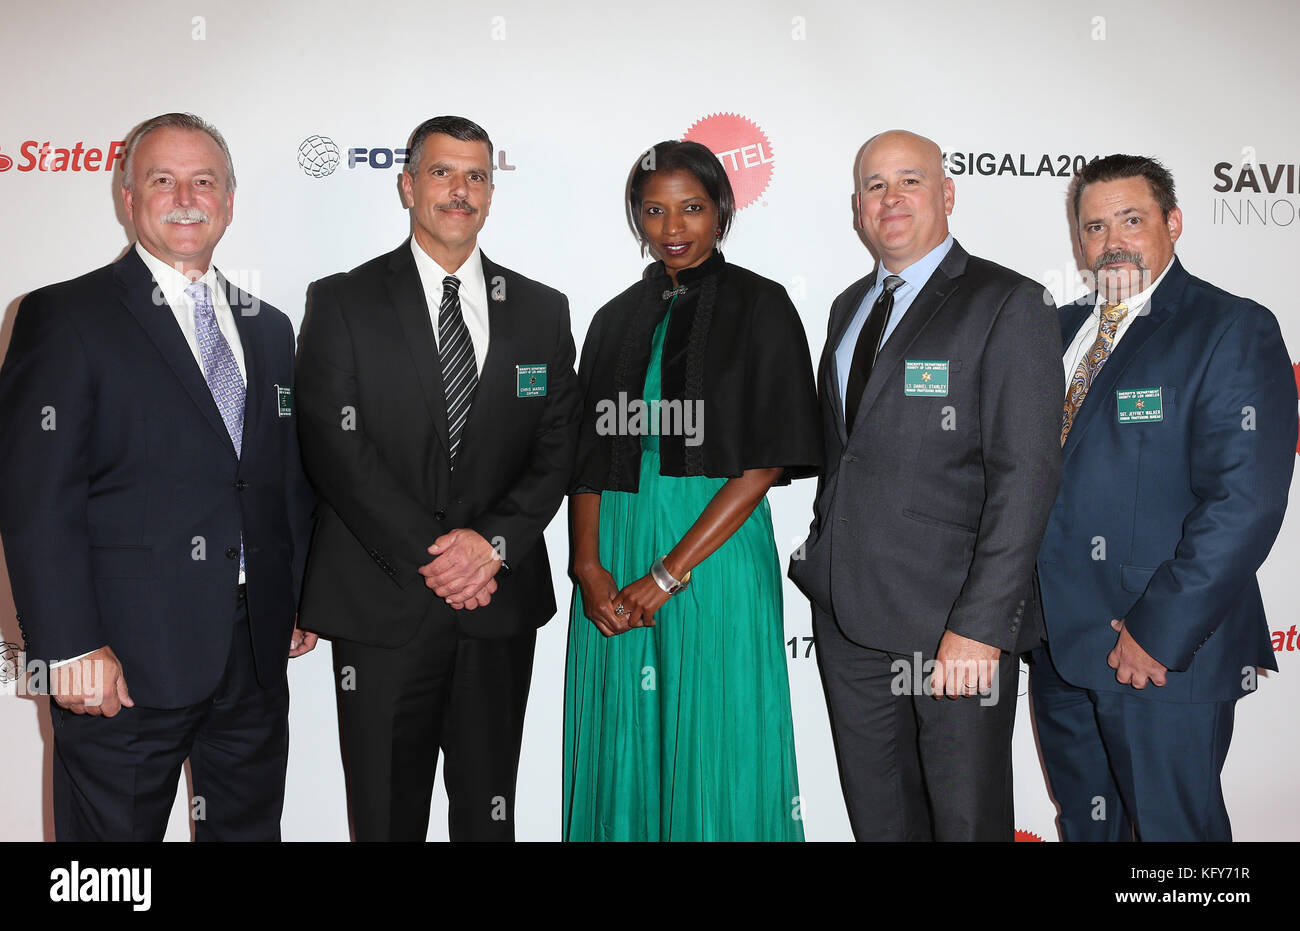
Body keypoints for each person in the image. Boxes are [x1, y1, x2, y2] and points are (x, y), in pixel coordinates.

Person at [0, 112, 316, 841]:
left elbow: (279, 479)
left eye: (204, 181)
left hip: (253, 659)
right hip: (119, 663)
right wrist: (68, 646)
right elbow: (34, 497)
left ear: (229, 201)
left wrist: (297, 593)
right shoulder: (64, 315)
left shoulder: (268, 325)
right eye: (162, 180)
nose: (184, 196)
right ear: (127, 196)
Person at [295, 115, 581, 841]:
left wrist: (492, 546)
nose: (461, 190)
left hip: (498, 604)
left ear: (491, 191)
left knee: (490, 814)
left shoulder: (542, 311)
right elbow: (335, 447)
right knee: (385, 817)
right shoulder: (342, 301)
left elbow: (558, 447)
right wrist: (440, 556)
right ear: (407, 185)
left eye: (477, 175)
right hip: (382, 604)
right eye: (443, 172)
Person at [788, 130, 1063, 841]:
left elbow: (1025, 476)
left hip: (952, 627)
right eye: (875, 186)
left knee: (965, 820)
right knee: (881, 822)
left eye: (910, 180)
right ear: (857, 210)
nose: (891, 198)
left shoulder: (1009, 302)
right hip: (849, 622)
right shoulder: (849, 306)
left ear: (947, 194)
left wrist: (978, 626)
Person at [1031, 155, 1296, 841]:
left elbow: (1245, 500)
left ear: (1173, 223)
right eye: (1094, 225)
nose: (1111, 239)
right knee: (1091, 830)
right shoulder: (1052, 332)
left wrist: (1159, 631)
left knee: (1175, 842)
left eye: (1132, 219)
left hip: (1157, 654)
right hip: (1058, 647)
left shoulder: (1231, 328)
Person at [565, 140, 822, 841]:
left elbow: (764, 463)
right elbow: (585, 458)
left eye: (692, 207)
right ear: (635, 217)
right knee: (627, 728)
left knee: (718, 728)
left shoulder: (763, 306)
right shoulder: (613, 317)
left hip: (712, 552)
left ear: (722, 211)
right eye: (654, 209)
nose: (672, 226)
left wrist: (669, 574)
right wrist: (588, 568)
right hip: (615, 543)